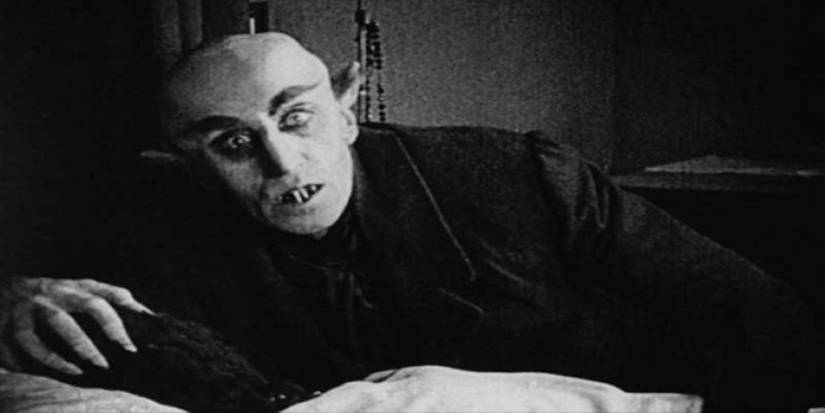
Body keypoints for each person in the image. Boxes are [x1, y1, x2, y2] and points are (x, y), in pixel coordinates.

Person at [0, 33, 817, 411]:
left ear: (347, 107)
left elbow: (752, 311)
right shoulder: (153, 232)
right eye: (232, 143)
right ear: (188, 165)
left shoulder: (517, 176)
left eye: (297, 116)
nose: (282, 162)